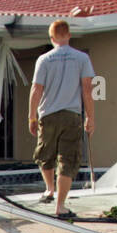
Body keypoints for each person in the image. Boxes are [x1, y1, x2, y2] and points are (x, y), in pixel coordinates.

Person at [28, 19, 96, 219]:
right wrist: (91, 117)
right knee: (68, 159)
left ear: (51, 38)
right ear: (69, 35)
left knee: (45, 153)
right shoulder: (81, 58)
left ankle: (49, 189)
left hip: (47, 114)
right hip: (71, 114)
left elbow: (36, 89)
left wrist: (31, 116)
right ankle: (60, 206)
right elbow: (87, 89)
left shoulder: (44, 59)